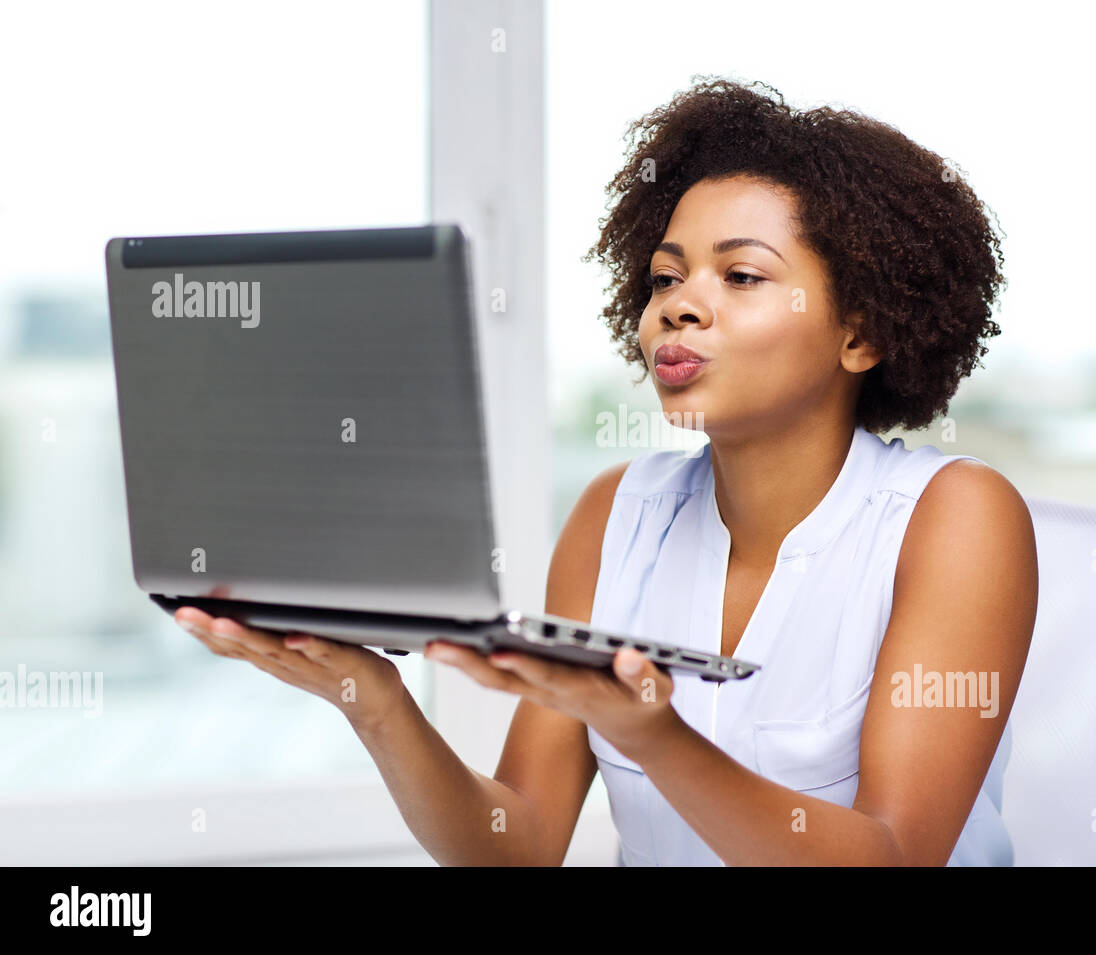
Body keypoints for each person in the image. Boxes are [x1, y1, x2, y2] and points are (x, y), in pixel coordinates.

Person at [174, 76, 1037, 866]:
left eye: (740, 275)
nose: (678, 304)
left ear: (861, 334)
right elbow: (519, 843)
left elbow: (892, 855)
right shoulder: (616, 514)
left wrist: (653, 734)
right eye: (666, 276)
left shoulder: (955, 514)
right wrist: (373, 695)